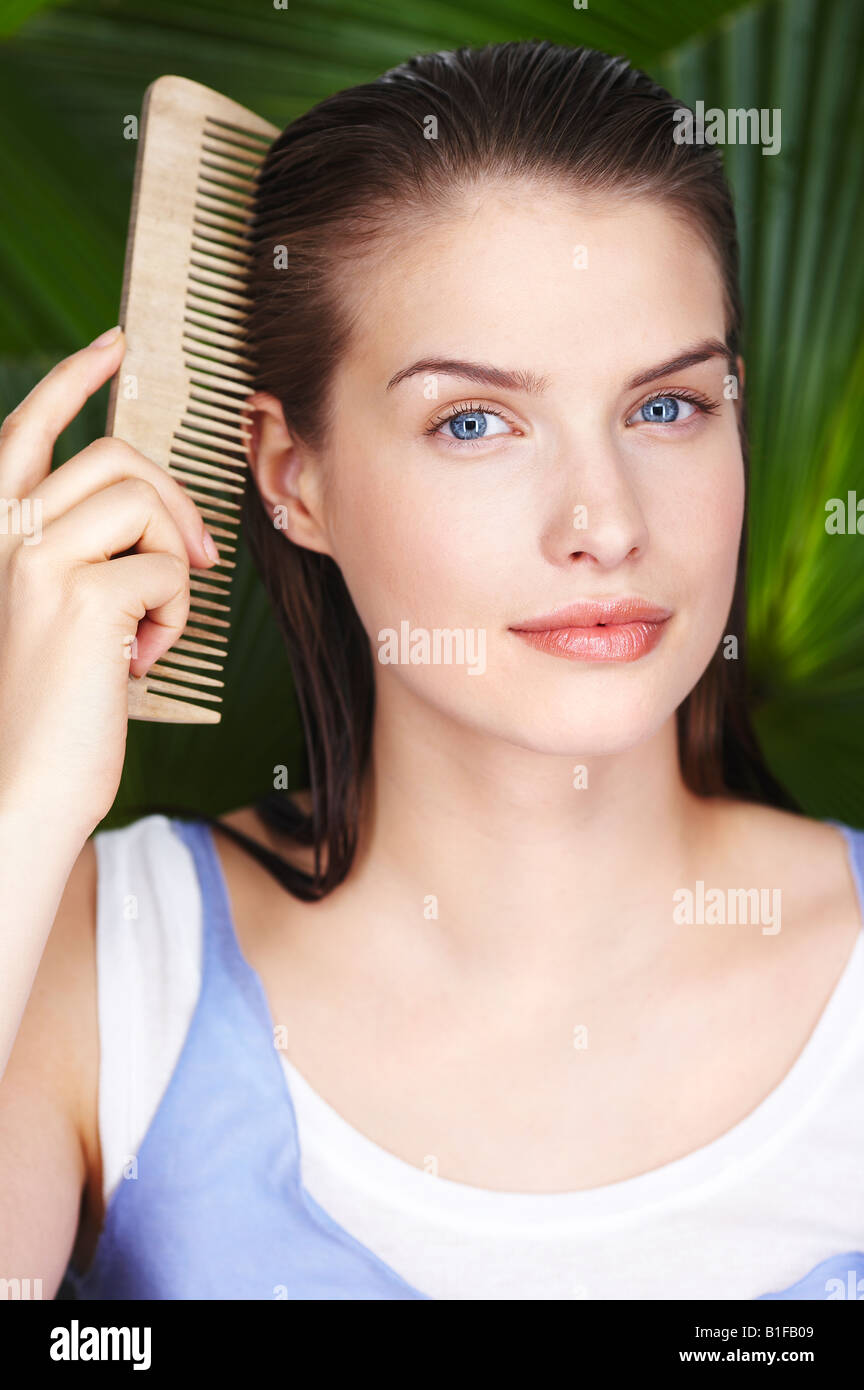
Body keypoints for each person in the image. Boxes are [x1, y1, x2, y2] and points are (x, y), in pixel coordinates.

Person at [1, 40, 862, 1302]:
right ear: (294, 476)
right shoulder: (93, 966)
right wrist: (23, 810)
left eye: (668, 407)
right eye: (475, 422)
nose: (604, 521)